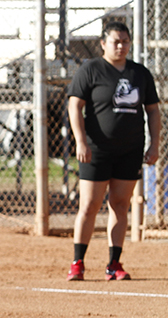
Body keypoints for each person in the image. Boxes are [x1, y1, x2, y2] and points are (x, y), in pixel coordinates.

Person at [66, 21, 160, 281]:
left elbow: (153, 110)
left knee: (120, 205)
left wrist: (154, 144)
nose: (121, 46)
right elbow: (75, 106)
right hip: (96, 149)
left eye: (125, 41)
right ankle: (78, 263)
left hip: (130, 150)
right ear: (103, 44)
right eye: (116, 41)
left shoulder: (139, 73)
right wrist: (81, 140)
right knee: (90, 205)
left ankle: (113, 264)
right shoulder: (92, 69)